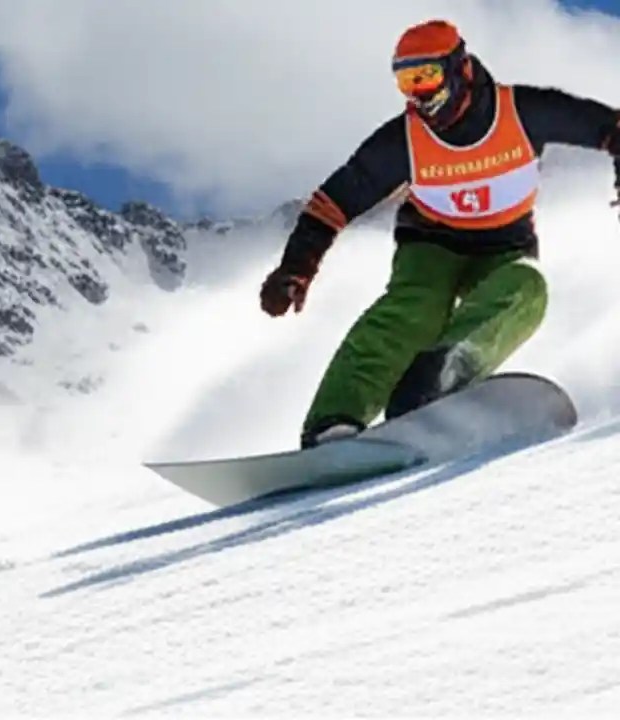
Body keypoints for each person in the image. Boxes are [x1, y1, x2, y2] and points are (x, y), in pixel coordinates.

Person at [260, 19, 620, 448]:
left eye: (426, 76)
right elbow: (333, 202)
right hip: (431, 245)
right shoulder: (404, 139)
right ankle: (335, 418)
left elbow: (610, 128)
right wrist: (296, 268)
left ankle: (442, 373)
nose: (419, 94)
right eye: (406, 81)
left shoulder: (522, 110)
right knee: (415, 309)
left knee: (528, 289)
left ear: (459, 69)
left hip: (504, 247)